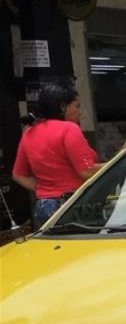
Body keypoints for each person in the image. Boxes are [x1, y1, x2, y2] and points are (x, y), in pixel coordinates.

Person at [12, 83, 101, 227]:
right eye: (76, 106)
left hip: (43, 206)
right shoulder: (69, 129)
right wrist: (120, 159)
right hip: (70, 205)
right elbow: (86, 171)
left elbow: (18, 175)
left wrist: (46, 189)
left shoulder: (29, 132)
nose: (80, 112)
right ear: (62, 107)